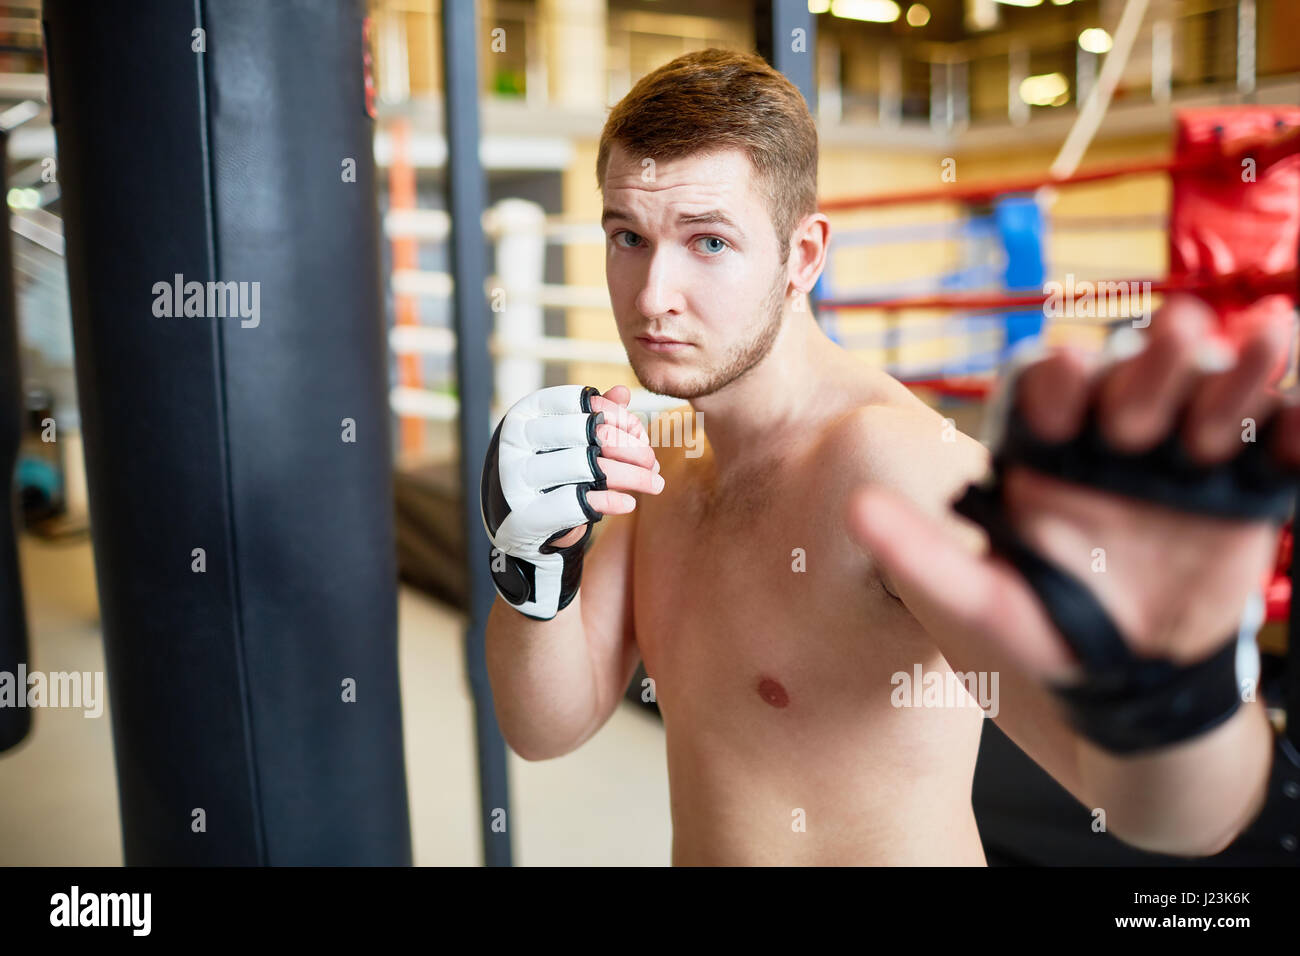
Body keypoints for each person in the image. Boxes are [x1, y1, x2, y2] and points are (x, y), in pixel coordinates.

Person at [480, 48, 1298, 865]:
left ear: (803, 256)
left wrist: (1173, 694)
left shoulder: (889, 465)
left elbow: (1168, 816)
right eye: (629, 236)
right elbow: (544, 726)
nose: (654, 293)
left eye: (709, 243)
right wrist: (532, 565)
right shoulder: (660, 460)